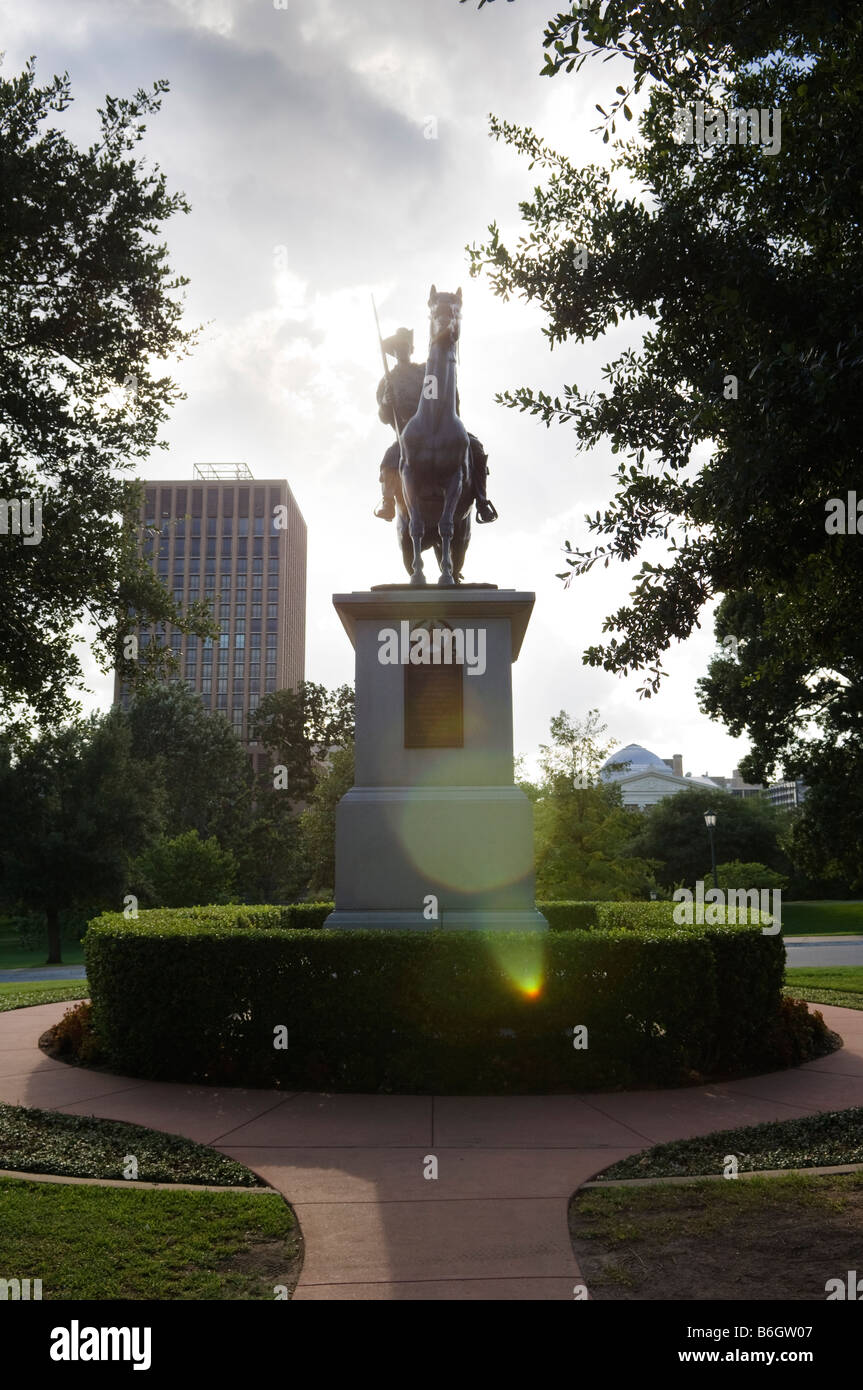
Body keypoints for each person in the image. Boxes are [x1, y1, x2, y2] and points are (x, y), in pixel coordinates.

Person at [374, 326, 498, 523]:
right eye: (398, 347)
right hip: (409, 433)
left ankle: (482, 501)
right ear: (393, 351)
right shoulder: (388, 380)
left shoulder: (425, 371)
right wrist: (387, 403)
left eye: (405, 346)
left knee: (475, 447)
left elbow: (446, 390)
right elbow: (383, 415)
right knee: (391, 456)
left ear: (411, 348)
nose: (402, 350)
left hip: (439, 422)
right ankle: (388, 501)